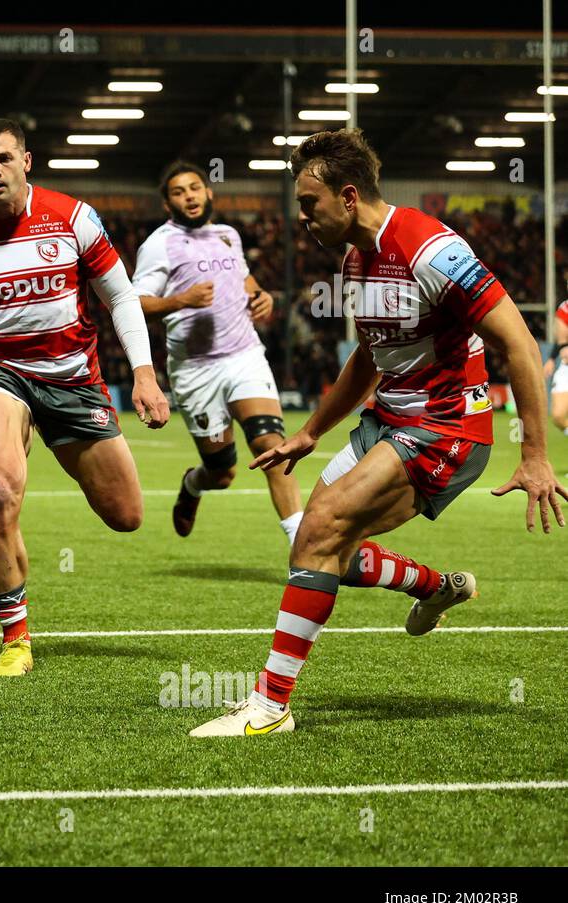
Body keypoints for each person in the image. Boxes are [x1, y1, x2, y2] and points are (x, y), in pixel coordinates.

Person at [191, 128, 567, 737]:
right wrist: (312, 431)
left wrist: (535, 454)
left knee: (319, 532)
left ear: (346, 196)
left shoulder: (430, 251)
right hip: (388, 418)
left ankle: (268, 706)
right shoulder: (353, 259)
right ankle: (439, 587)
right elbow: (369, 356)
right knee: (317, 550)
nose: (301, 216)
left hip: (445, 426)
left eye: (308, 203)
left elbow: (520, 344)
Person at [0, 117, 169, 678]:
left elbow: (119, 296)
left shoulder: (72, 218)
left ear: (26, 161)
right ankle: (15, 638)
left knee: (127, 515)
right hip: (3, 374)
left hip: (73, 380)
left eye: (4, 159)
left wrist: (143, 373)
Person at [133, 160, 303, 544]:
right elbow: (134, 302)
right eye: (178, 192)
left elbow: (245, 278)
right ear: (167, 204)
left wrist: (261, 297)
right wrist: (181, 300)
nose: (189, 196)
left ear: (209, 193)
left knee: (271, 445)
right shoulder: (159, 244)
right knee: (222, 473)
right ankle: (193, 485)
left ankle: (303, 545)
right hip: (196, 371)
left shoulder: (228, 234)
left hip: (244, 356)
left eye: (194, 188)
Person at [543, 298, 568, 438]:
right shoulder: (565, 307)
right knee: (558, 416)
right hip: (567, 367)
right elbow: (562, 340)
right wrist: (552, 359)